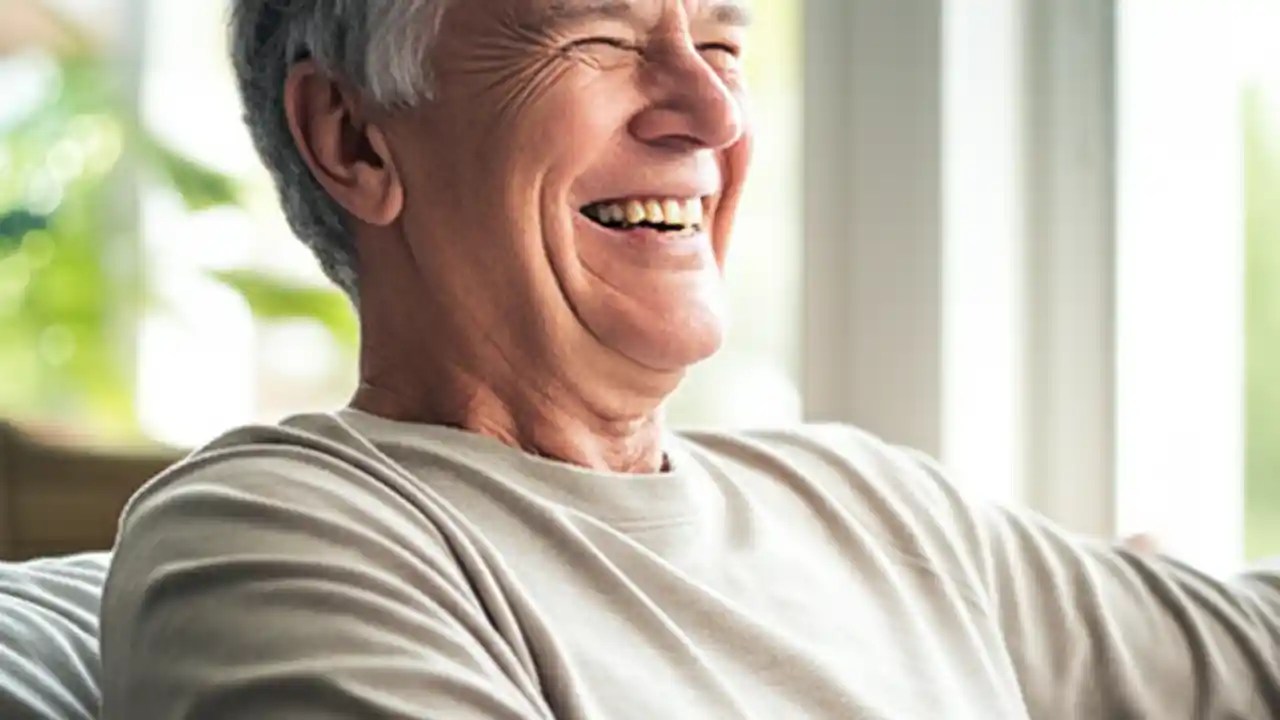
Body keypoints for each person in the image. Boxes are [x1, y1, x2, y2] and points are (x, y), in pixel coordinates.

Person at [99, 1, 1280, 717]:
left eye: (720, 42)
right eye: (599, 37)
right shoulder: (273, 539)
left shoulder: (869, 507)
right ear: (352, 139)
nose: (710, 116)